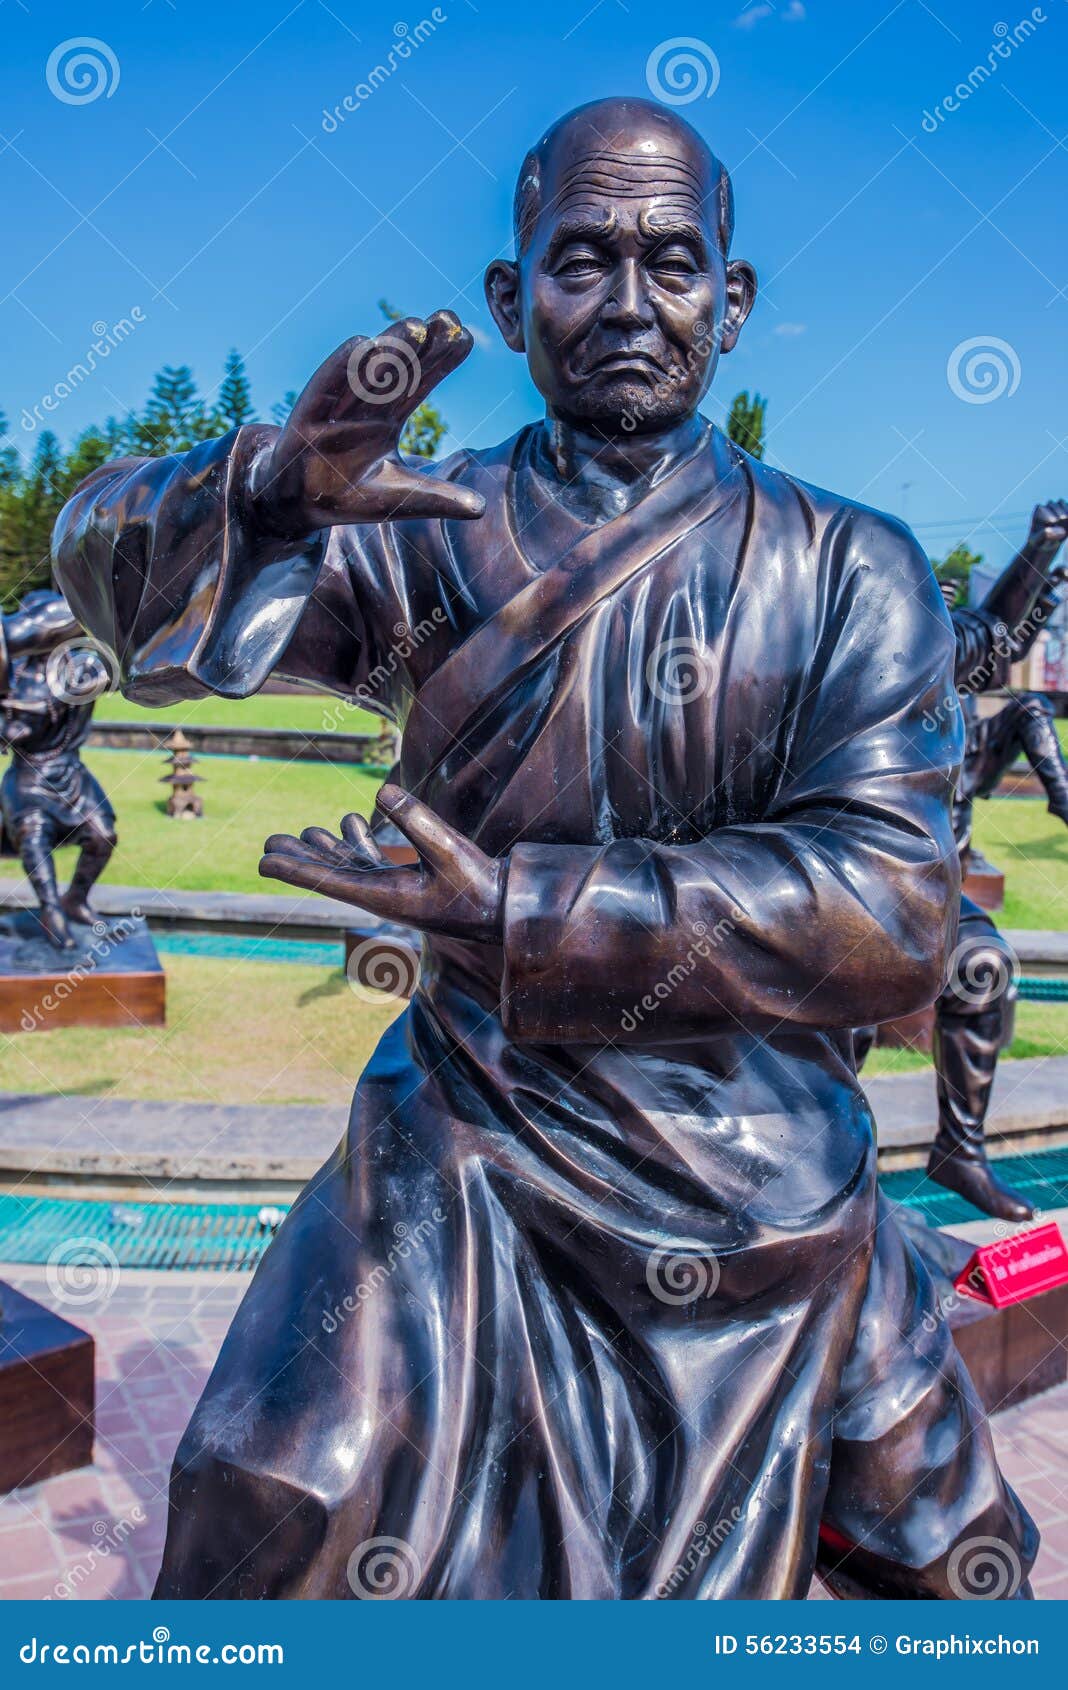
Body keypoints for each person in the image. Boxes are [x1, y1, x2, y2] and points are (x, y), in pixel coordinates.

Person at [54, 98, 1035, 1600]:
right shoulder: (427, 528)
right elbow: (118, 601)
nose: (632, 303)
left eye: (673, 262)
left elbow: (889, 906)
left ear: (735, 297)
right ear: (512, 302)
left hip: (757, 1161)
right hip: (463, 1132)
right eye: (582, 261)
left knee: (956, 1569)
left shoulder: (856, 565)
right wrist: (261, 489)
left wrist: (524, 904)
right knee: (272, 1488)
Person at [855, 505, 1068, 1220]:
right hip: (841, 878)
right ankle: (827, 1173)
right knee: (844, 1013)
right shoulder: (849, 654)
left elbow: (1001, 632)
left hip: (925, 882)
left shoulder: (935, 652)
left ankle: (959, 1150)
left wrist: (1040, 545)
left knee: (984, 969)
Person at [0, 591, 115, 950]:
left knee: (103, 835)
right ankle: (51, 910)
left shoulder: (75, 665)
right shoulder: (13, 676)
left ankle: (75, 900)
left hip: (70, 773)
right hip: (29, 776)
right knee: (34, 841)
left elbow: (110, 671)